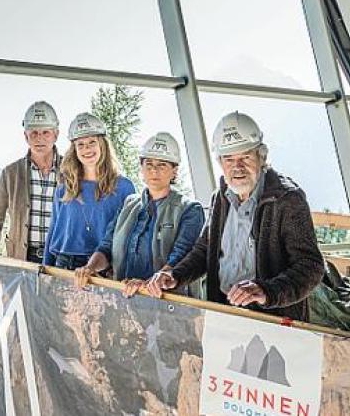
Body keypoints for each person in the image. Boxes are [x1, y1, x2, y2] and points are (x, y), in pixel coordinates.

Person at [148, 112, 324, 322]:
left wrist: (266, 291)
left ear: (262, 156)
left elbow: (310, 265)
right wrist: (175, 275)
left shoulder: (287, 199)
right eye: (229, 159)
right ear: (220, 162)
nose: (237, 167)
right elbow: (205, 251)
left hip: (273, 322)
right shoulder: (220, 197)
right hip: (223, 313)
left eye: (245, 157)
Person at [72, 132, 205, 295]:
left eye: (162, 165)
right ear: (141, 167)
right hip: (125, 297)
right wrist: (89, 268)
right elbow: (106, 247)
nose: (154, 170)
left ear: (174, 171)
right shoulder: (129, 204)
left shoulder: (190, 209)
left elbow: (181, 257)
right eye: (148, 164)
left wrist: (147, 285)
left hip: (169, 304)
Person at [42, 112, 134, 270]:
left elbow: (130, 234)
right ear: (75, 150)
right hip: (65, 264)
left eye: (92, 142)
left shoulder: (124, 187)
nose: (87, 149)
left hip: (105, 266)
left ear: (102, 145)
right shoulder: (65, 187)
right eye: (81, 145)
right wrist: (44, 269)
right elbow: (53, 229)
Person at [0, 101, 62, 263]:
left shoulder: (72, 171)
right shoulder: (10, 173)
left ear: (56, 135)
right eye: (34, 133)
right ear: (26, 136)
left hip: (60, 260)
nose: (40, 138)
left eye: (46, 132)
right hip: (20, 258)